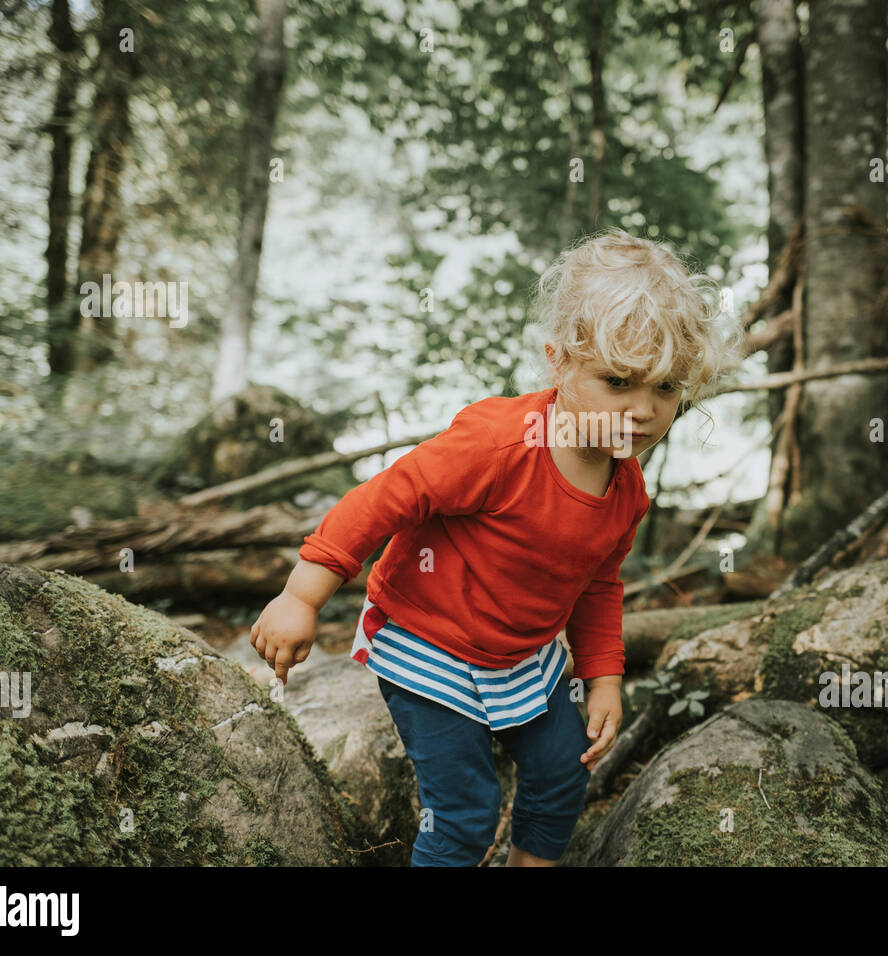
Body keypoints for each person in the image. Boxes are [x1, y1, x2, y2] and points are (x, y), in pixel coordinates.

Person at [249, 227, 744, 866]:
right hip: (430, 648)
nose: (644, 410)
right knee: (464, 814)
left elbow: (597, 585)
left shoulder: (625, 487)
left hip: (523, 658)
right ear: (559, 360)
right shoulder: (499, 448)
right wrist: (301, 594)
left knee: (566, 770)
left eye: (667, 387)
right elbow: (383, 500)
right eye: (619, 382)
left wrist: (604, 678)